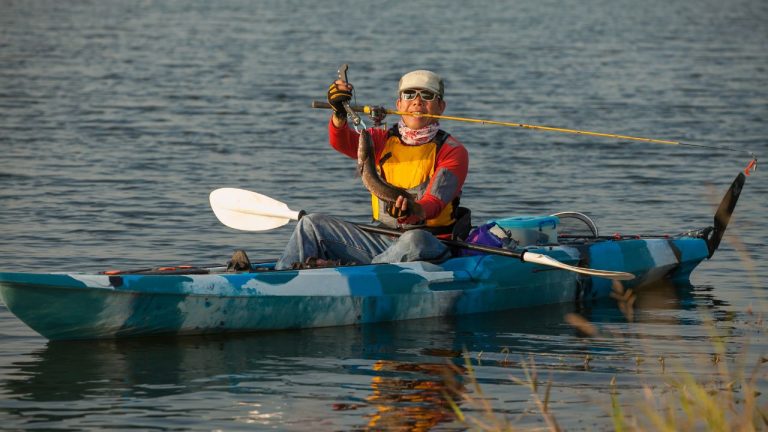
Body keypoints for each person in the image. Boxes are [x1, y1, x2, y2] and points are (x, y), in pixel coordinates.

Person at [274, 70, 469, 270]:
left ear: (441, 107)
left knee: (415, 240)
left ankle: (353, 269)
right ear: (399, 104)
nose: (417, 102)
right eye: (409, 95)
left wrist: (409, 211)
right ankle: (283, 275)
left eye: (427, 96)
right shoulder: (380, 139)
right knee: (310, 224)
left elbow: (434, 203)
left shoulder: (453, 151)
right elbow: (342, 142)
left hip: (430, 243)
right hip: (381, 240)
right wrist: (339, 114)